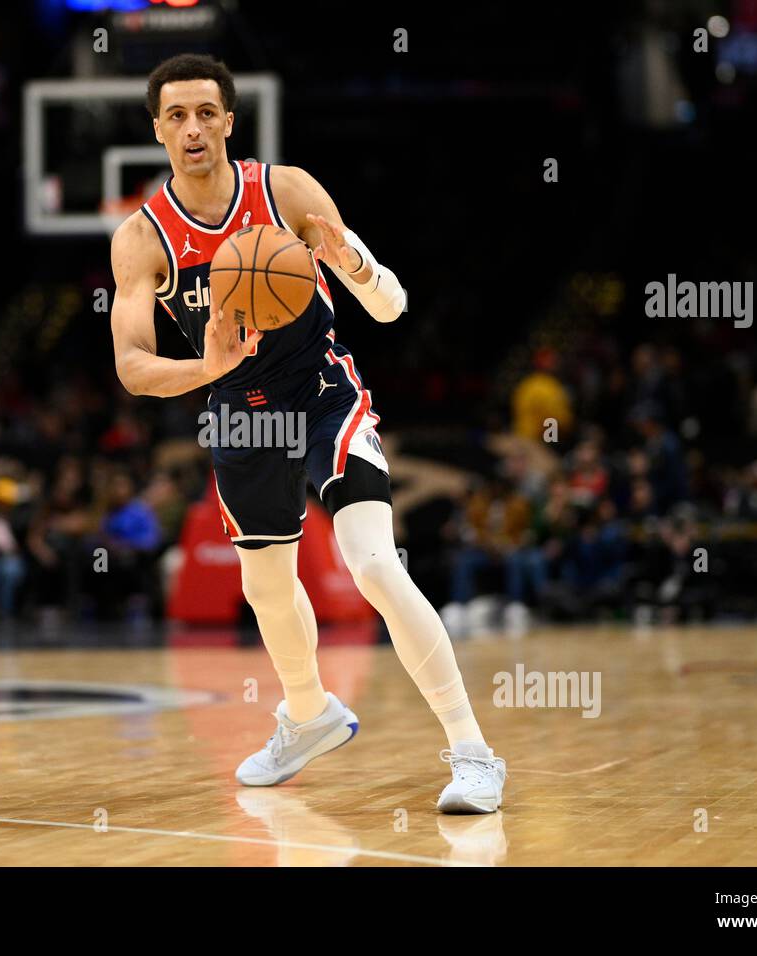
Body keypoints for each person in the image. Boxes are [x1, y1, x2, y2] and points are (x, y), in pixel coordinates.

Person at [108, 54, 506, 813]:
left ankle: (474, 754)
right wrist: (205, 366)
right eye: (177, 116)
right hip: (237, 407)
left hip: (323, 394)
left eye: (206, 112)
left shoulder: (281, 189)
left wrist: (349, 259)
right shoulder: (142, 238)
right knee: (266, 586)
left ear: (229, 119)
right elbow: (130, 366)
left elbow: (390, 306)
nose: (193, 128)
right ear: (157, 129)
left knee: (375, 566)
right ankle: (308, 713)